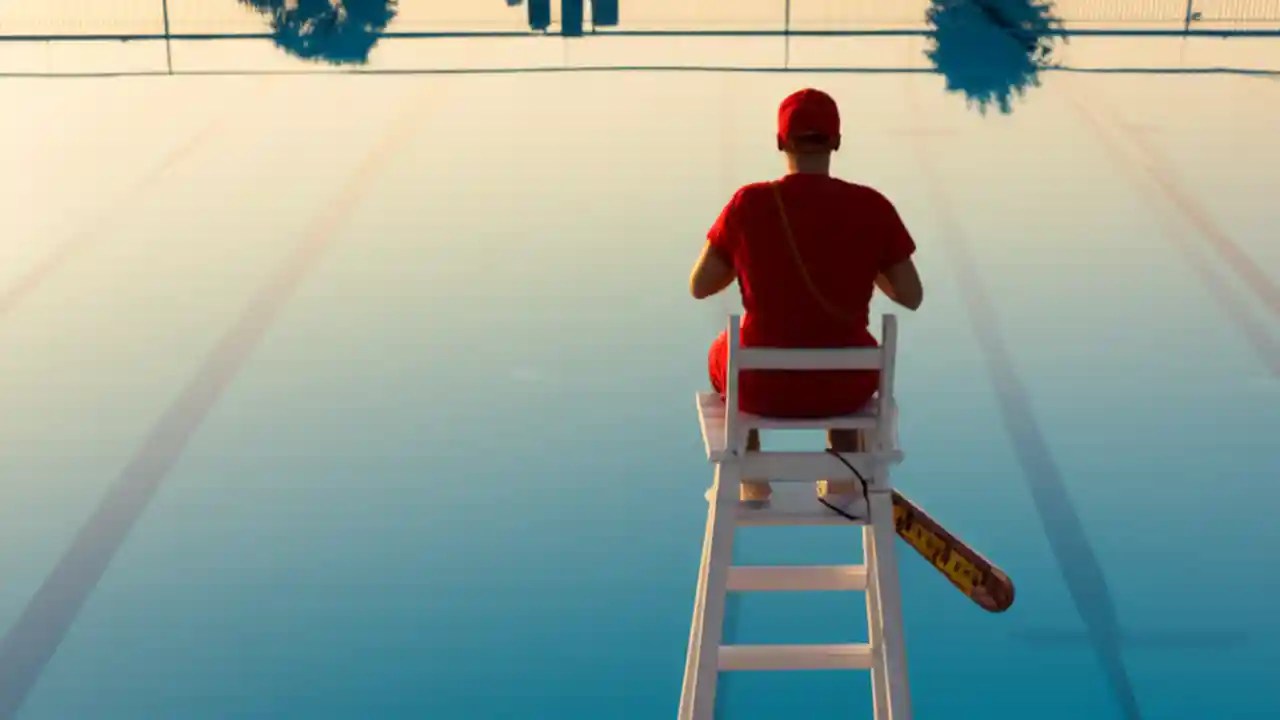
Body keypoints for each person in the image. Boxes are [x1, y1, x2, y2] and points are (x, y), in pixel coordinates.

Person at [688, 88, 924, 511]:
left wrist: (748, 258)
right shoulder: (872, 206)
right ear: (836, 141)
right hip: (845, 387)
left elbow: (700, 285)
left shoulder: (749, 204)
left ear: (781, 142)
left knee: (724, 352)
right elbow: (911, 296)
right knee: (844, 348)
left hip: (762, 387)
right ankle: (843, 476)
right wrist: (867, 262)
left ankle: (754, 477)